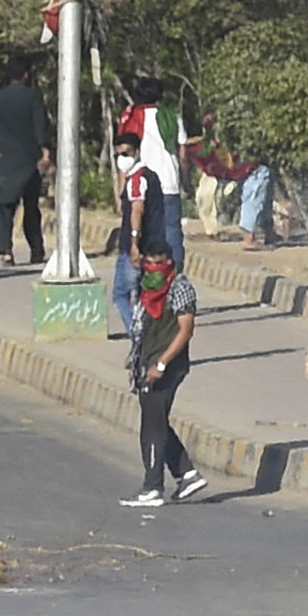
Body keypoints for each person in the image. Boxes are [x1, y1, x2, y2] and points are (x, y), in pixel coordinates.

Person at [119, 240, 208, 508]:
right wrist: (135, 365)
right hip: (147, 363)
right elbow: (140, 331)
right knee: (157, 421)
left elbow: (185, 330)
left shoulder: (180, 287)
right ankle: (186, 473)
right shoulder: (147, 288)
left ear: (169, 261)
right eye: (150, 263)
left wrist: (161, 364)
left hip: (168, 366)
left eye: (160, 263)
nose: (154, 268)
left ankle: (153, 487)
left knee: (152, 428)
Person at [0, 52, 51, 267]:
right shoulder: (33, 97)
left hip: (2, 160)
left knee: (3, 207)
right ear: (27, 75)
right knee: (31, 206)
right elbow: (40, 127)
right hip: (29, 160)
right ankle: (36, 249)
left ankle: (6, 251)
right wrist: (45, 150)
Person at [118, 78, 193, 266]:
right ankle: (174, 280)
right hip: (169, 183)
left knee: (143, 236)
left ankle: (149, 284)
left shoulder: (131, 117)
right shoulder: (172, 116)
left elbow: (124, 158)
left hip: (141, 186)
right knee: (172, 234)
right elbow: (183, 153)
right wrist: (186, 181)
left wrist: (121, 192)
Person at [110, 129, 165, 340]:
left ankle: (139, 337)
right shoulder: (151, 177)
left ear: (138, 152)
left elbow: (137, 211)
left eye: (127, 153)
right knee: (144, 295)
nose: (122, 159)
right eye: (119, 155)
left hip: (136, 246)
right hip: (154, 246)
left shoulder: (137, 180)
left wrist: (134, 243)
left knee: (121, 294)